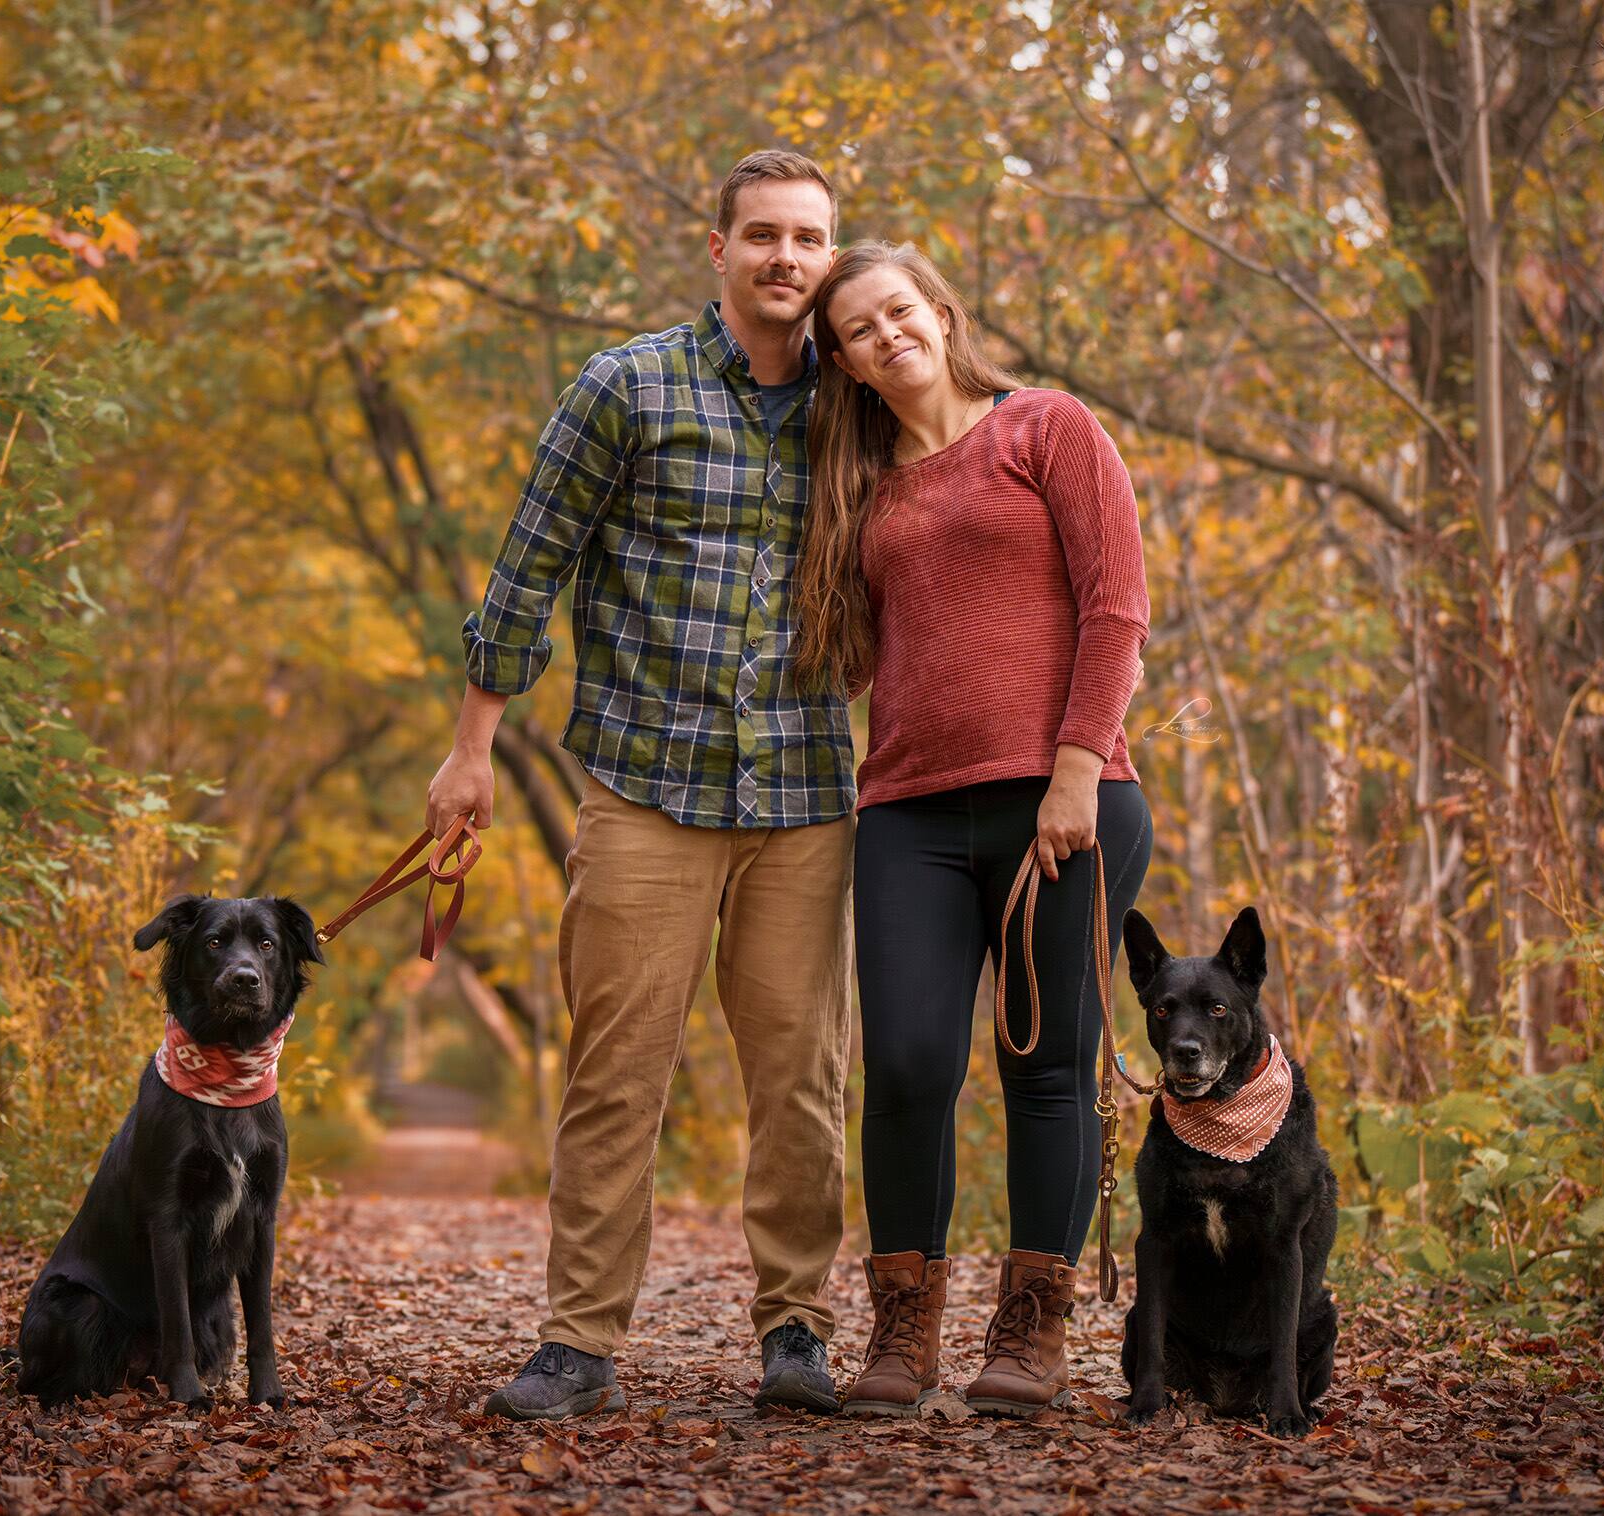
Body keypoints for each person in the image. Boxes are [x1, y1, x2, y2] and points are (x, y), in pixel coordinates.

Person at [426, 151, 854, 1421]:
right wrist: (470, 752)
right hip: (646, 786)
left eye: (811, 240)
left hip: (804, 792)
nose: (788, 259)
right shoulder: (626, 385)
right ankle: (578, 1342)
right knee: (618, 1070)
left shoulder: (862, 402)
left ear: (832, 255)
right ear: (714, 247)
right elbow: (527, 567)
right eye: (764, 236)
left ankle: (796, 1333)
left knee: (800, 1074)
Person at [793, 240, 1154, 1419]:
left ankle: (1031, 1333)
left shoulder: (1043, 427)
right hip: (905, 808)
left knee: (1043, 1068)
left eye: (899, 309)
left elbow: (1115, 608)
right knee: (902, 1068)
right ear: (840, 361)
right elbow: (857, 653)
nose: (885, 334)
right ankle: (901, 1338)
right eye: (857, 329)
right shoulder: (856, 486)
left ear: (939, 313)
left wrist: (1073, 773)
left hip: (1062, 802)